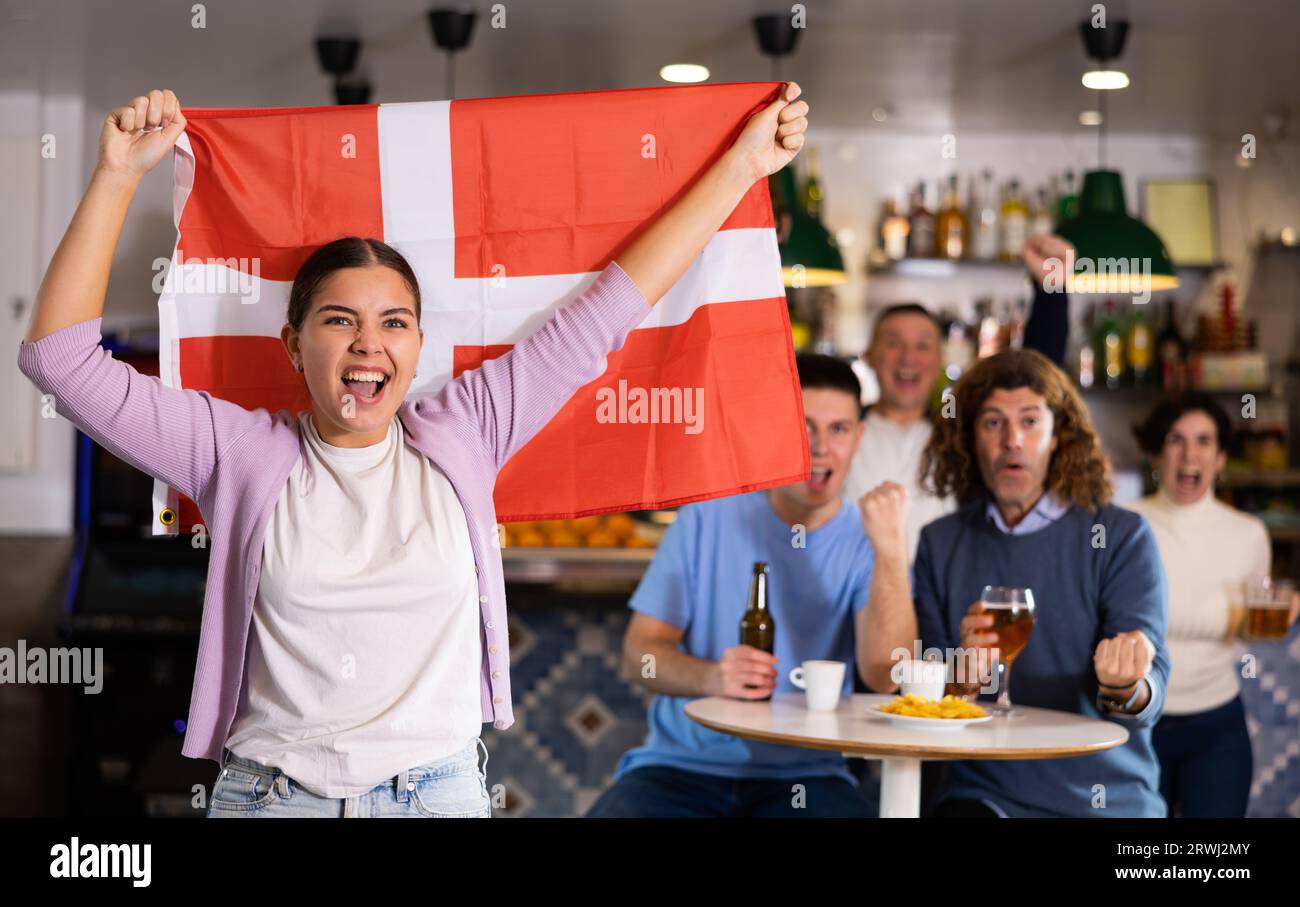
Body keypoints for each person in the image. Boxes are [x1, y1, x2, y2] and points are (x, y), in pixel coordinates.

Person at [16, 85, 812, 817]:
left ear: (420, 344)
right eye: (339, 320)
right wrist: (117, 175)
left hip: (435, 797)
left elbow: (614, 304)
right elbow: (60, 363)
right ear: (294, 344)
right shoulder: (234, 451)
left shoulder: (467, 430)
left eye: (393, 322)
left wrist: (745, 164)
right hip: (271, 799)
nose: (368, 343)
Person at [585, 354, 915, 817]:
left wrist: (893, 552)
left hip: (808, 776)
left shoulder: (870, 543)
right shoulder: (705, 517)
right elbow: (637, 657)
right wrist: (710, 677)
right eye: (805, 426)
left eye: (838, 429)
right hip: (679, 769)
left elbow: (887, 676)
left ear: (859, 438)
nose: (820, 447)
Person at [904, 348, 1170, 817]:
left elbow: (1147, 693)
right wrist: (962, 676)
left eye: (1030, 422)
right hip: (982, 795)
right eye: (992, 423)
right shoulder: (939, 543)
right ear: (968, 437)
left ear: (1057, 436)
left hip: (1105, 797)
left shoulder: (1121, 536)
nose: (1012, 441)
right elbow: (925, 695)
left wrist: (1125, 683)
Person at [844, 234, 1076, 562]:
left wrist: (1051, 285)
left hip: (944, 605)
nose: (908, 358)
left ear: (939, 360)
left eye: (923, 345)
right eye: (894, 343)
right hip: (856, 604)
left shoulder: (960, 434)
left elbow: (1033, 382)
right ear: (868, 355)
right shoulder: (840, 433)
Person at [1128, 393, 1298, 817]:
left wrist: (1279, 613)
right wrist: (1229, 615)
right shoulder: (1123, 525)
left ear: (1221, 459)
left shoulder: (1249, 533)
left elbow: (1253, 630)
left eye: (1204, 441)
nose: (1190, 455)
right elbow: (1120, 620)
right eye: (1175, 440)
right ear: (1154, 453)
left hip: (1218, 723)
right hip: (1139, 721)